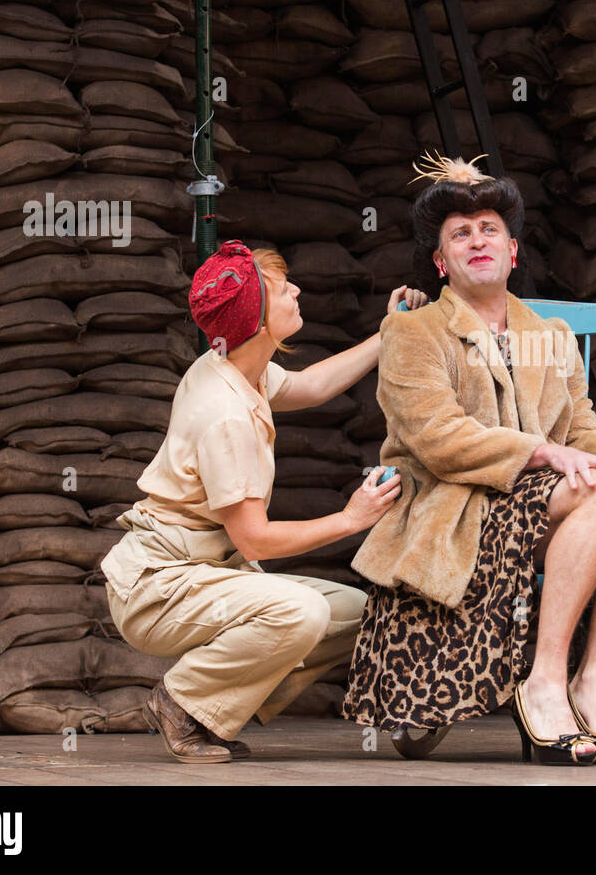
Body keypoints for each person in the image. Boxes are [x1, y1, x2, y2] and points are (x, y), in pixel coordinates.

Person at [341, 153, 596, 765]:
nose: (477, 240)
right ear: (442, 262)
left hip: (542, 506)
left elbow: (582, 428)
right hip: (454, 505)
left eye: (489, 228)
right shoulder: (413, 333)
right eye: (460, 233)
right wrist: (546, 452)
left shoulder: (551, 336)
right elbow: (438, 439)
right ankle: (545, 679)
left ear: (513, 251)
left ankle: (593, 680)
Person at [101, 239, 428, 764]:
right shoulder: (225, 412)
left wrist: (387, 332)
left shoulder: (234, 364)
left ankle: (222, 703)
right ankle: (182, 704)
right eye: (281, 288)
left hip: (206, 573)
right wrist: (351, 518)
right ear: (254, 319)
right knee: (298, 611)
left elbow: (310, 384)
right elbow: (254, 539)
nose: (297, 289)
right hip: (157, 587)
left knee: (356, 613)